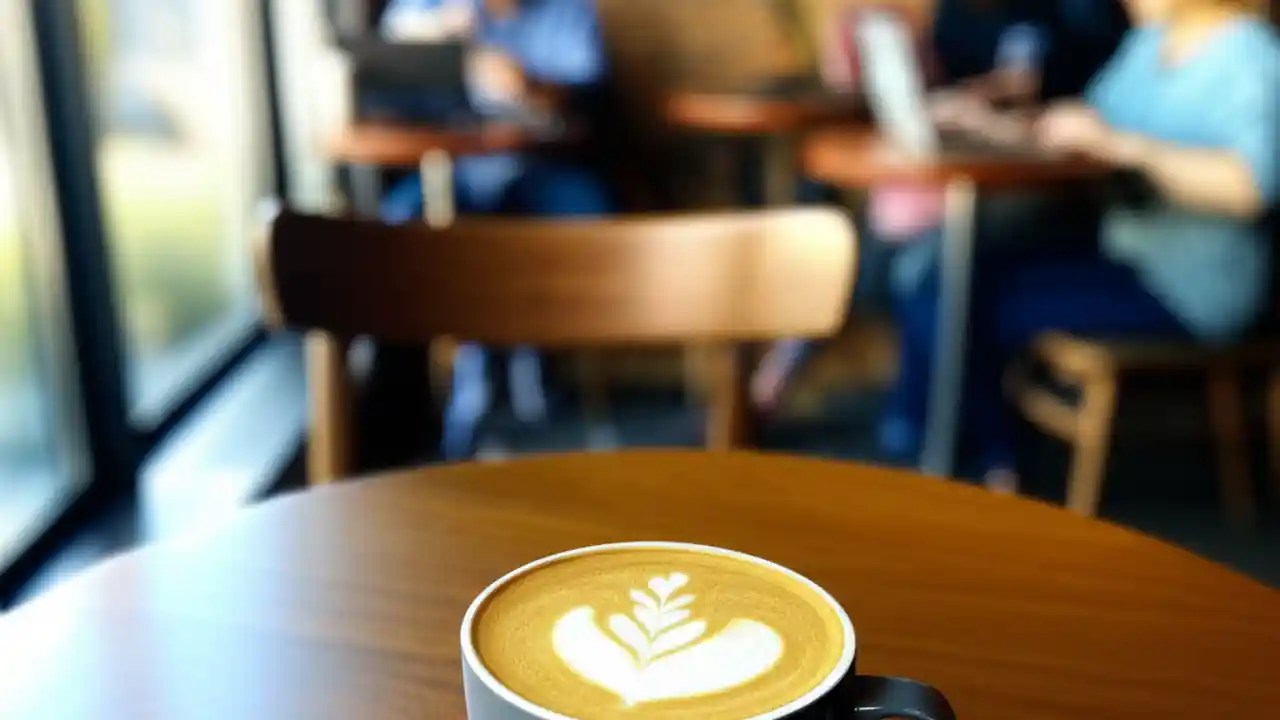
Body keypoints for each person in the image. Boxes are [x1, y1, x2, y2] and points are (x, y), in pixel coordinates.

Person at [905, 0, 1279, 491]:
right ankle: (980, 458)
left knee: (975, 296)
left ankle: (984, 469)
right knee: (957, 274)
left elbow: (1250, 187)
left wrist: (1125, 147)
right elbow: (1084, 134)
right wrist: (980, 121)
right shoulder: (1148, 46)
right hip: (1129, 262)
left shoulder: (1253, 56)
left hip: (1193, 291)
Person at [378, 0, 613, 460]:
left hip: (547, 169)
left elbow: (594, 104)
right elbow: (385, 57)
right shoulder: (434, 9)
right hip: (458, 172)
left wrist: (531, 86)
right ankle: (465, 373)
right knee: (395, 229)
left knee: (531, 219)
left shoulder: (566, 14)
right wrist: (443, 41)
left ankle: (502, 363)